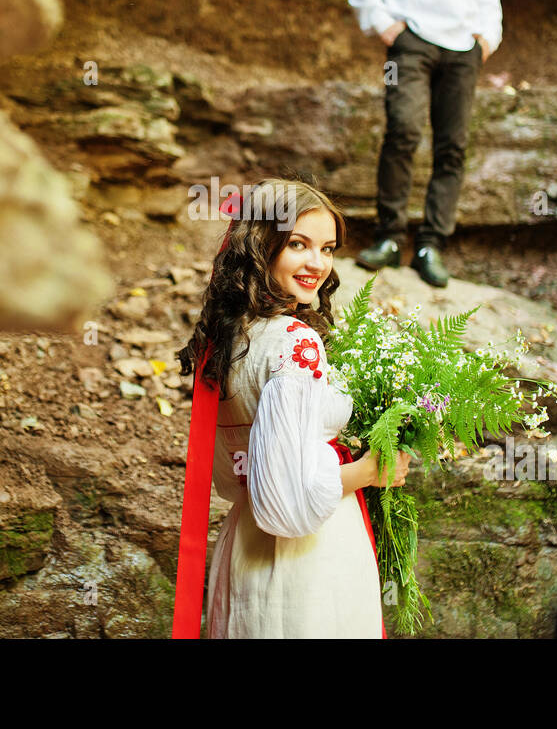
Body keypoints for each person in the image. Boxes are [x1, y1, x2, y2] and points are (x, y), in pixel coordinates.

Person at [174, 178, 411, 638]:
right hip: (307, 559)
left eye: (327, 248)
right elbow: (284, 504)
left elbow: (231, 478)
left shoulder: (225, 342)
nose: (317, 264)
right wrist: (368, 472)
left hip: (243, 549)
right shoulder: (295, 343)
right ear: (262, 245)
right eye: (298, 245)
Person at [347, 0, 503, 288]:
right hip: (411, 41)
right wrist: (388, 26)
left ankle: (431, 245)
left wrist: (485, 39)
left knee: (452, 146)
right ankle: (390, 239)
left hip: (462, 49)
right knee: (404, 129)